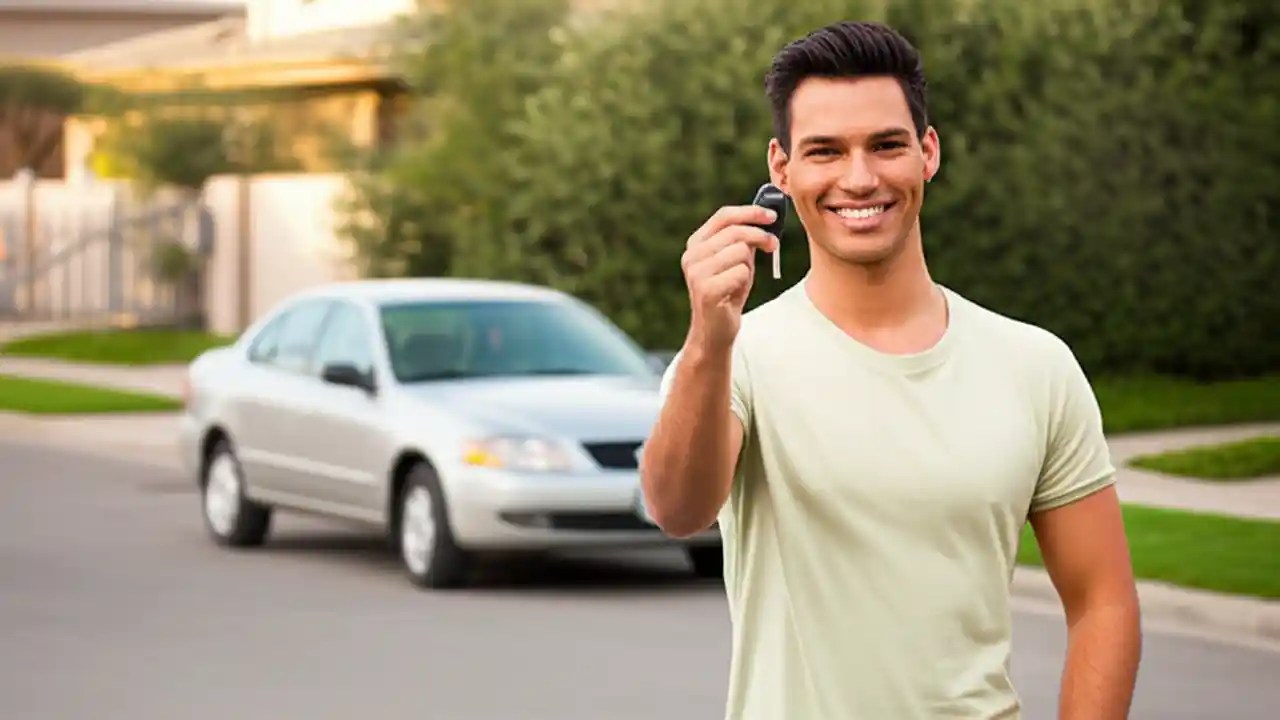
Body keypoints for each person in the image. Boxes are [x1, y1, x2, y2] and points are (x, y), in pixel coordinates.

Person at [640, 20, 1142, 720]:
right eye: (826, 151)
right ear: (781, 170)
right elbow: (677, 508)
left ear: (927, 151)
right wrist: (706, 342)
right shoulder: (736, 358)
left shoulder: (1036, 366)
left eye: (886, 145)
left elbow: (1104, 601)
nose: (859, 178)